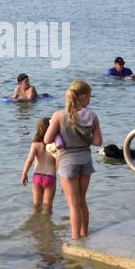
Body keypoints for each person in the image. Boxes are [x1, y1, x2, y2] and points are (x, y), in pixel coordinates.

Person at [44, 79, 102, 240]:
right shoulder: (93, 116)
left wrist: (59, 135)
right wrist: (85, 140)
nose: (90, 99)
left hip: (67, 162)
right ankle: (85, 234)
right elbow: (98, 142)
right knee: (82, 200)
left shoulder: (58, 115)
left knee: (73, 204)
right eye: (89, 96)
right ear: (82, 96)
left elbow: (47, 140)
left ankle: (76, 239)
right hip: (85, 160)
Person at [21, 116, 58, 212]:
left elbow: (29, 160)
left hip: (37, 176)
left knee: (36, 205)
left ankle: (36, 224)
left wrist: (24, 173)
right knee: (48, 205)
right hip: (50, 177)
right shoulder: (54, 145)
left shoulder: (35, 144)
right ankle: (47, 225)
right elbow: (58, 161)